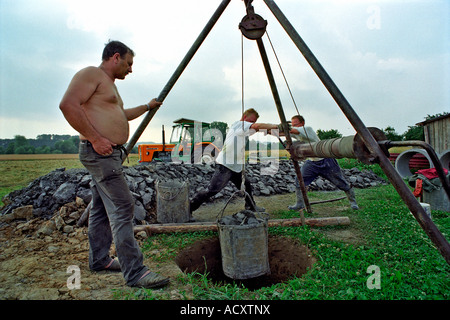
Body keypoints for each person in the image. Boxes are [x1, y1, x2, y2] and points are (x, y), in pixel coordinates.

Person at [59, 40, 169, 289]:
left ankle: (100, 261)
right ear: (115, 57)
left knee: (100, 208)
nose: (130, 69)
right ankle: (136, 272)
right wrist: (96, 139)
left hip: (109, 155)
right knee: (123, 205)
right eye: (129, 63)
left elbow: (121, 115)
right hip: (99, 153)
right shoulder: (91, 74)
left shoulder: (109, 87)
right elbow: (67, 105)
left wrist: (147, 107)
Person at [190, 108, 278, 213]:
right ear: (244, 117)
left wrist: (280, 130)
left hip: (235, 166)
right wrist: (276, 125)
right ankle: (190, 208)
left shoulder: (245, 129)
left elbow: (262, 129)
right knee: (212, 190)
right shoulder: (239, 124)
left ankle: (251, 207)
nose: (252, 124)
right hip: (225, 165)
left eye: (253, 122)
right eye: (251, 121)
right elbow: (258, 126)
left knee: (246, 186)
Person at [286, 115, 359, 210]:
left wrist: (283, 127)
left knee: (340, 182)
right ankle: (300, 203)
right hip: (312, 163)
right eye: (293, 125)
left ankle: (353, 202)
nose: (294, 126)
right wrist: (268, 130)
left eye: (296, 124)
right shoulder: (297, 133)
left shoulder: (307, 129)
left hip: (326, 160)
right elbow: (285, 132)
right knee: (299, 181)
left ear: (302, 123)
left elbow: (291, 130)